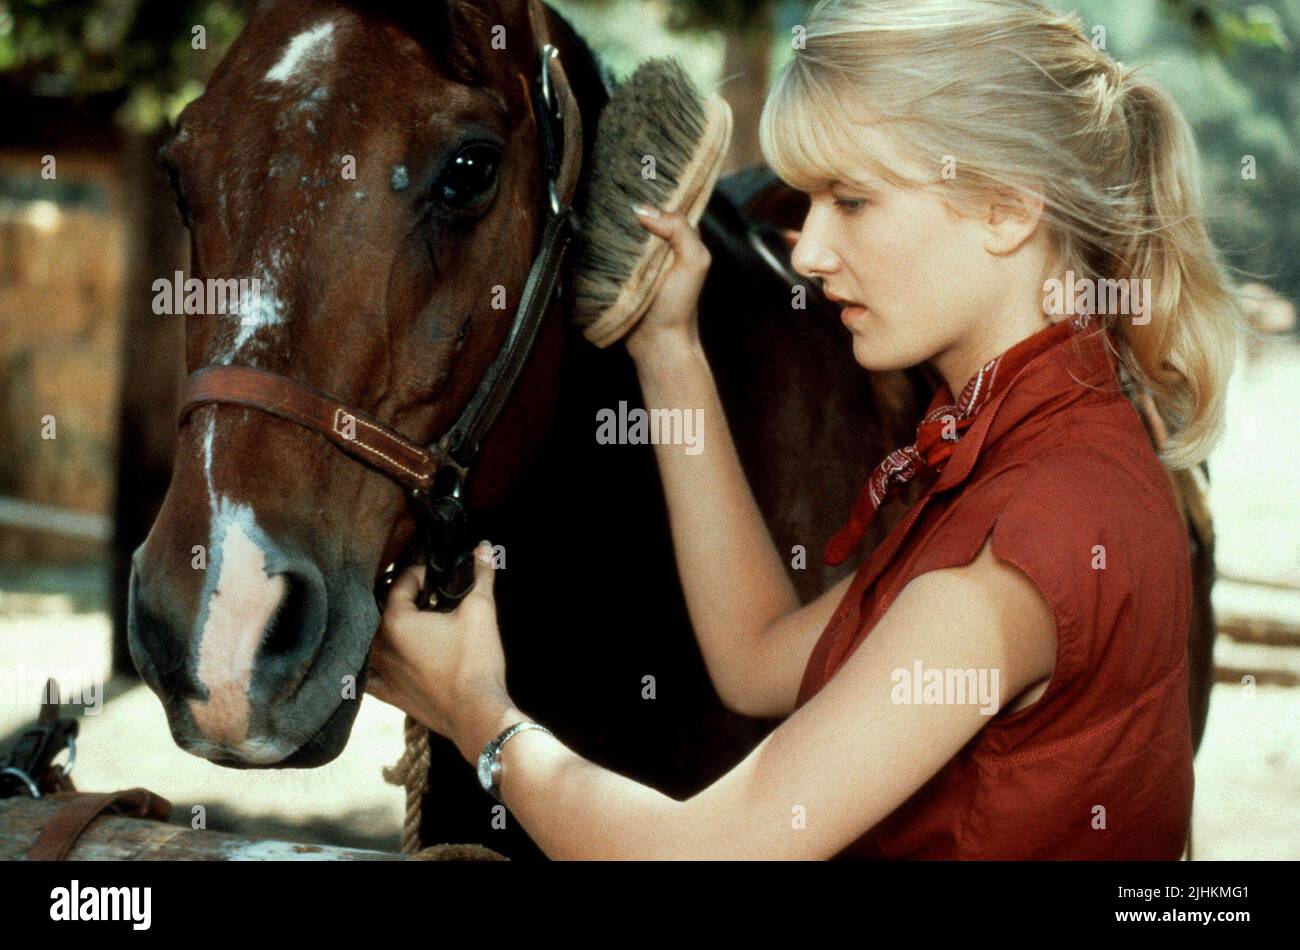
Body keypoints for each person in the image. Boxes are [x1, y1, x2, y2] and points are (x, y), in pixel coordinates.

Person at [364, 0, 1241, 859]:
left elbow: (704, 856)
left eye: (852, 200)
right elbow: (755, 659)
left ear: (1007, 210)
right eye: (809, 200)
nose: (811, 251)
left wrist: (480, 717)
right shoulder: (1045, 448)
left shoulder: (1031, 536)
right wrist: (671, 349)